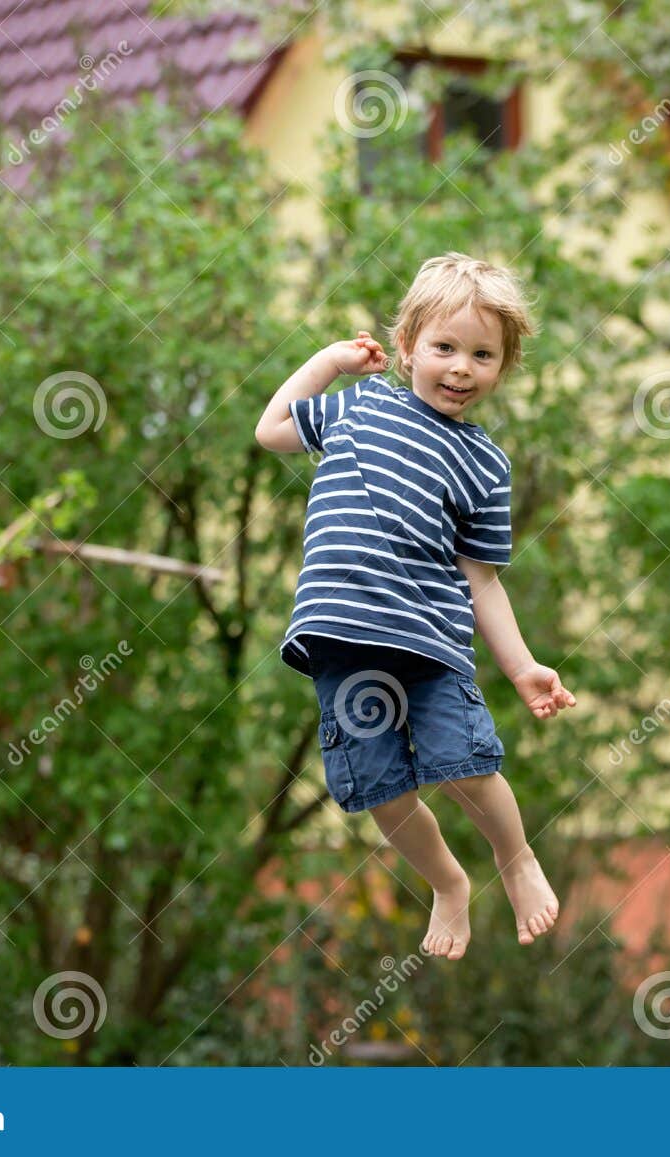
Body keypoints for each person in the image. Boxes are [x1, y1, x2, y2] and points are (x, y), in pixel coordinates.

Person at [254, 252, 577, 960]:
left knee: (464, 762)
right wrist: (328, 363)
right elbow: (272, 429)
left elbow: (482, 579)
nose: (462, 367)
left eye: (482, 354)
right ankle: (447, 881)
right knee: (380, 789)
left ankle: (517, 857)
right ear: (407, 349)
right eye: (445, 347)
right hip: (342, 643)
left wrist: (522, 666)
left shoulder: (484, 463)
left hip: (430, 644)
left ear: (503, 366)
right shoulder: (359, 406)